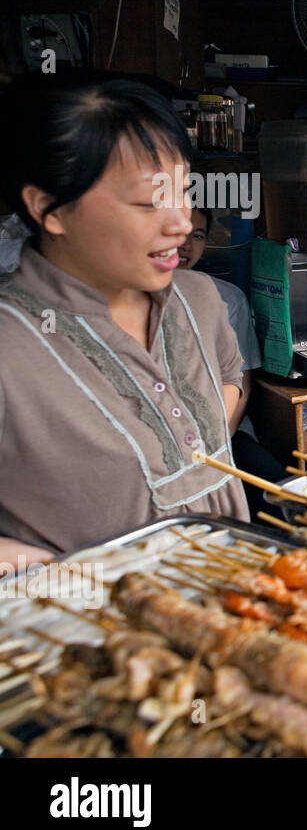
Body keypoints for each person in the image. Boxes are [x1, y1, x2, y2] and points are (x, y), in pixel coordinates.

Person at [0, 75, 249, 563]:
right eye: (148, 201)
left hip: (239, 607)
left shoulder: (198, 299)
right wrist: (51, 575)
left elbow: (228, 374)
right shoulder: (11, 350)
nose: (181, 222)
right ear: (49, 208)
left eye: (182, 191)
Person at [176, 202, 283, 518]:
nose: (186, 245)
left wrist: (216, 445)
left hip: (224, 433)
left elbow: (240, 383)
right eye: (180, 233)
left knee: (281, 494)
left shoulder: (226, 298)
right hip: (167, 442)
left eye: (196, 235)